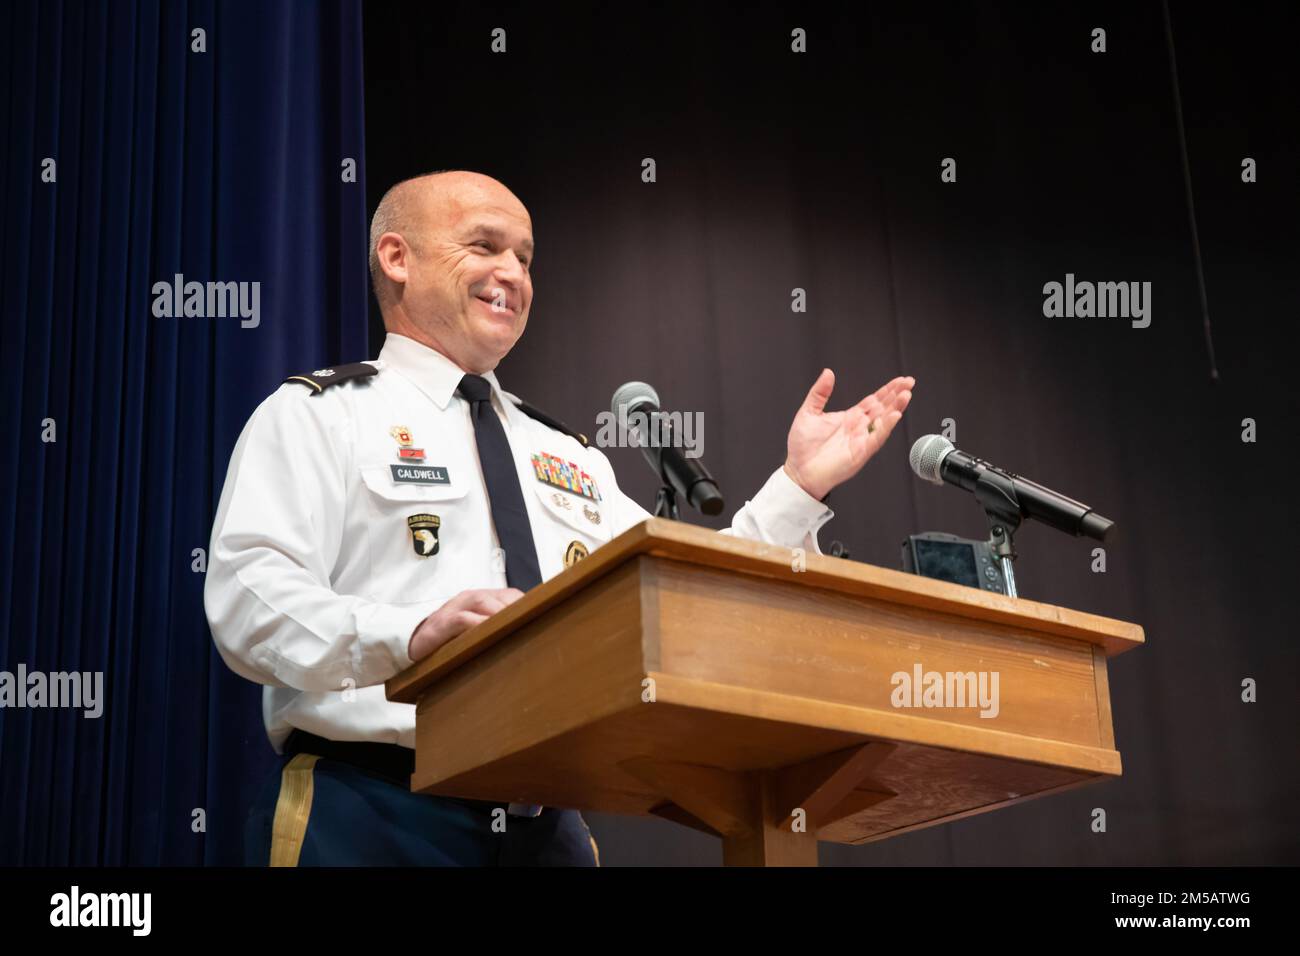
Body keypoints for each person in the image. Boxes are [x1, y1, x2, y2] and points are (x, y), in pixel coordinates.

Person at [204, 170, 915, 866]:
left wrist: (799, 485)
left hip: (548, 829)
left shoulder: (567, 453)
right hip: (374, 811)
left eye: (525, 256)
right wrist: (411, 634)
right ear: (397, 258)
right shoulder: (320, 416)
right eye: (484, 246)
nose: (512, 272)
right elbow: (247, 599)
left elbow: (681, 599)